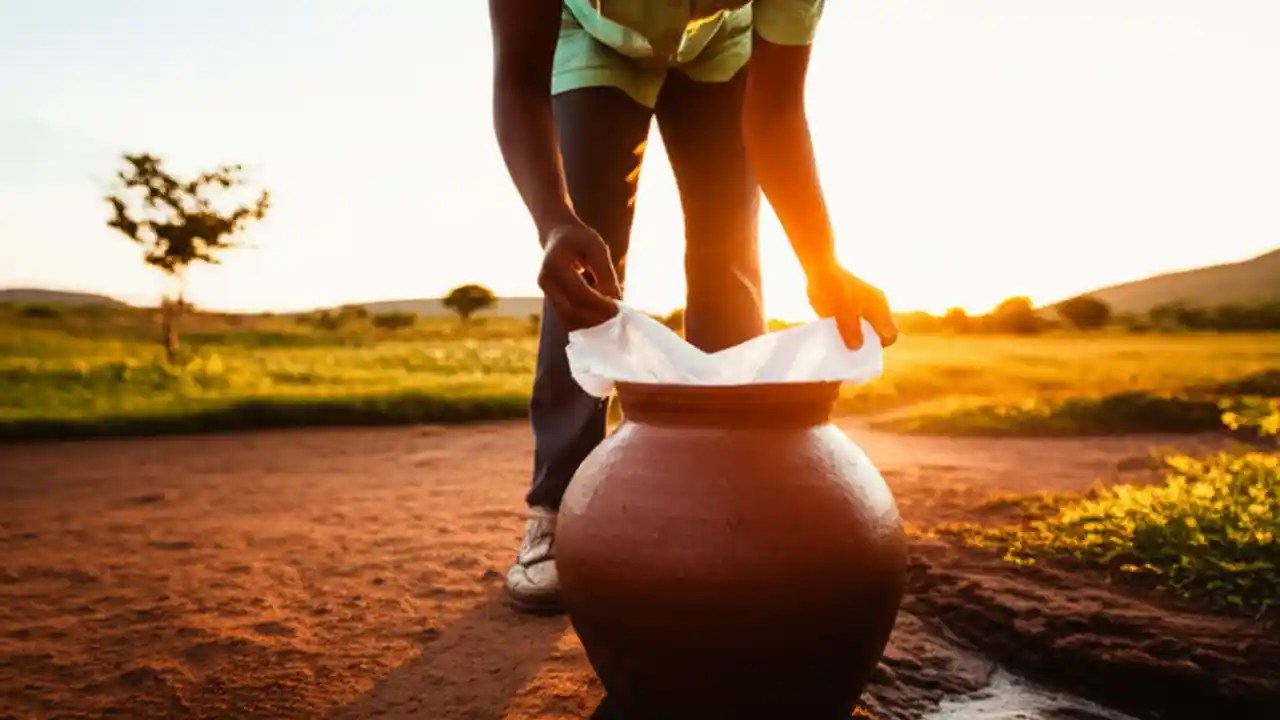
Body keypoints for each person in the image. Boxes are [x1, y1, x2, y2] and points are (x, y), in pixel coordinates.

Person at [488, 0, 899, 612]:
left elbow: (778, 109)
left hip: (720, 52)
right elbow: (520, 79)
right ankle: (556, 511)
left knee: (729, 251)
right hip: (593, 39)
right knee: (584, 263)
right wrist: (553, 220)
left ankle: (730, 498)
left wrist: (821, 263)